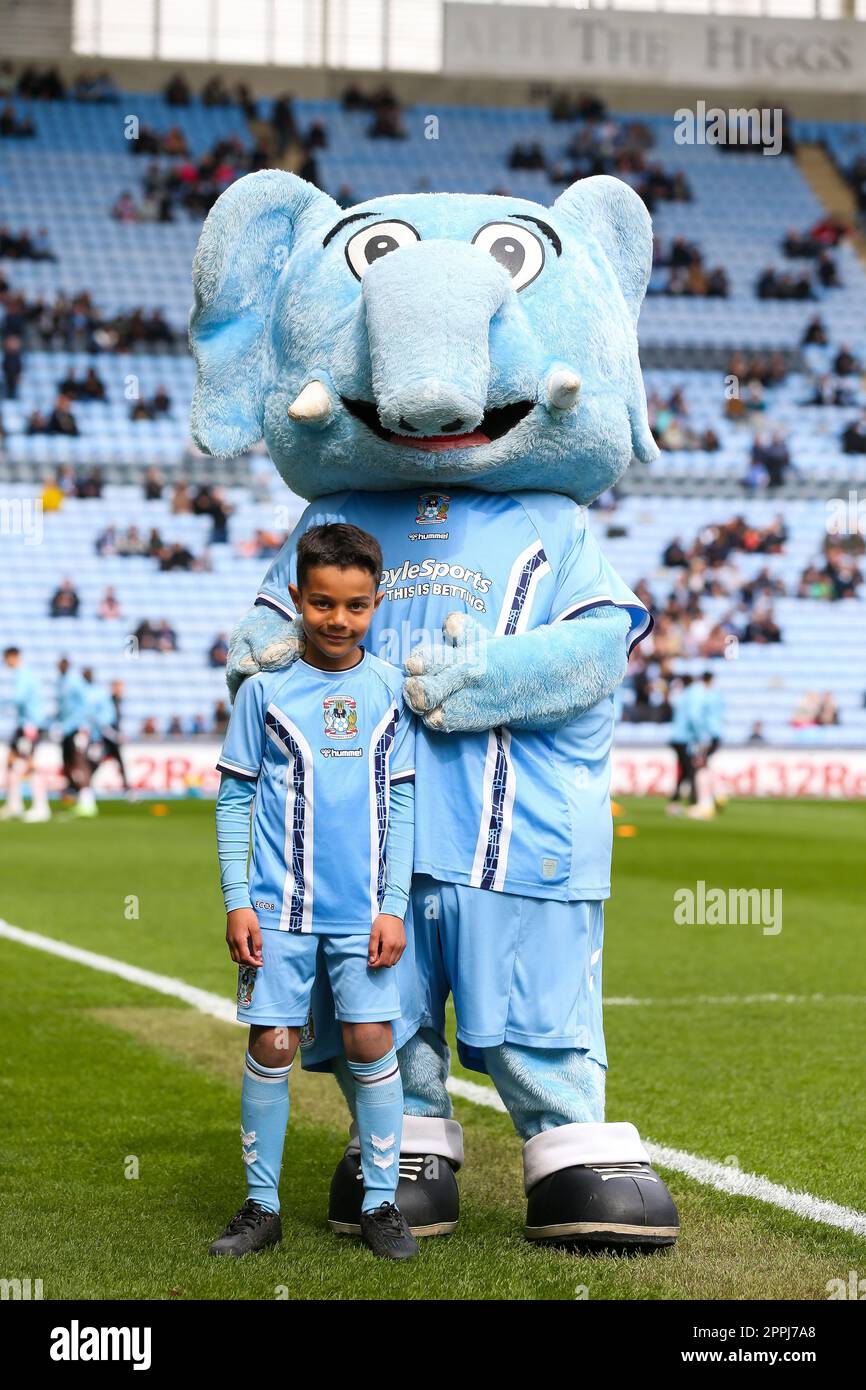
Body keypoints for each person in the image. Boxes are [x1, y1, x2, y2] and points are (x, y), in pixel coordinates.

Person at [210, 524, 419, 1261]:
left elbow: (403, 804)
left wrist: (392, 906)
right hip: (276, 910)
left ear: (376, 601)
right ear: (298, 598)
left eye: (356, 606)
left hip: (363, 912)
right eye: (324, 603)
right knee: (272, 1042)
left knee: (371, 1038)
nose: (339, 620)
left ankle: (383, 1204)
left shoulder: (393, 690)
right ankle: (261, 1206)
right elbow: (235, 802)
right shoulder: (264, 693)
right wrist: (238, 899)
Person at [1, 647, 49, 821]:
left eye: (6, 659)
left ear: (13, 657)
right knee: (11, 762)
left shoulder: (23, 675)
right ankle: (15, 804)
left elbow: (19, 698)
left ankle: (41, 807)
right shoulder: (24, 674)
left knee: (29, 764)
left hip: (30, 726)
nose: (5, 663)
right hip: (24, 725)